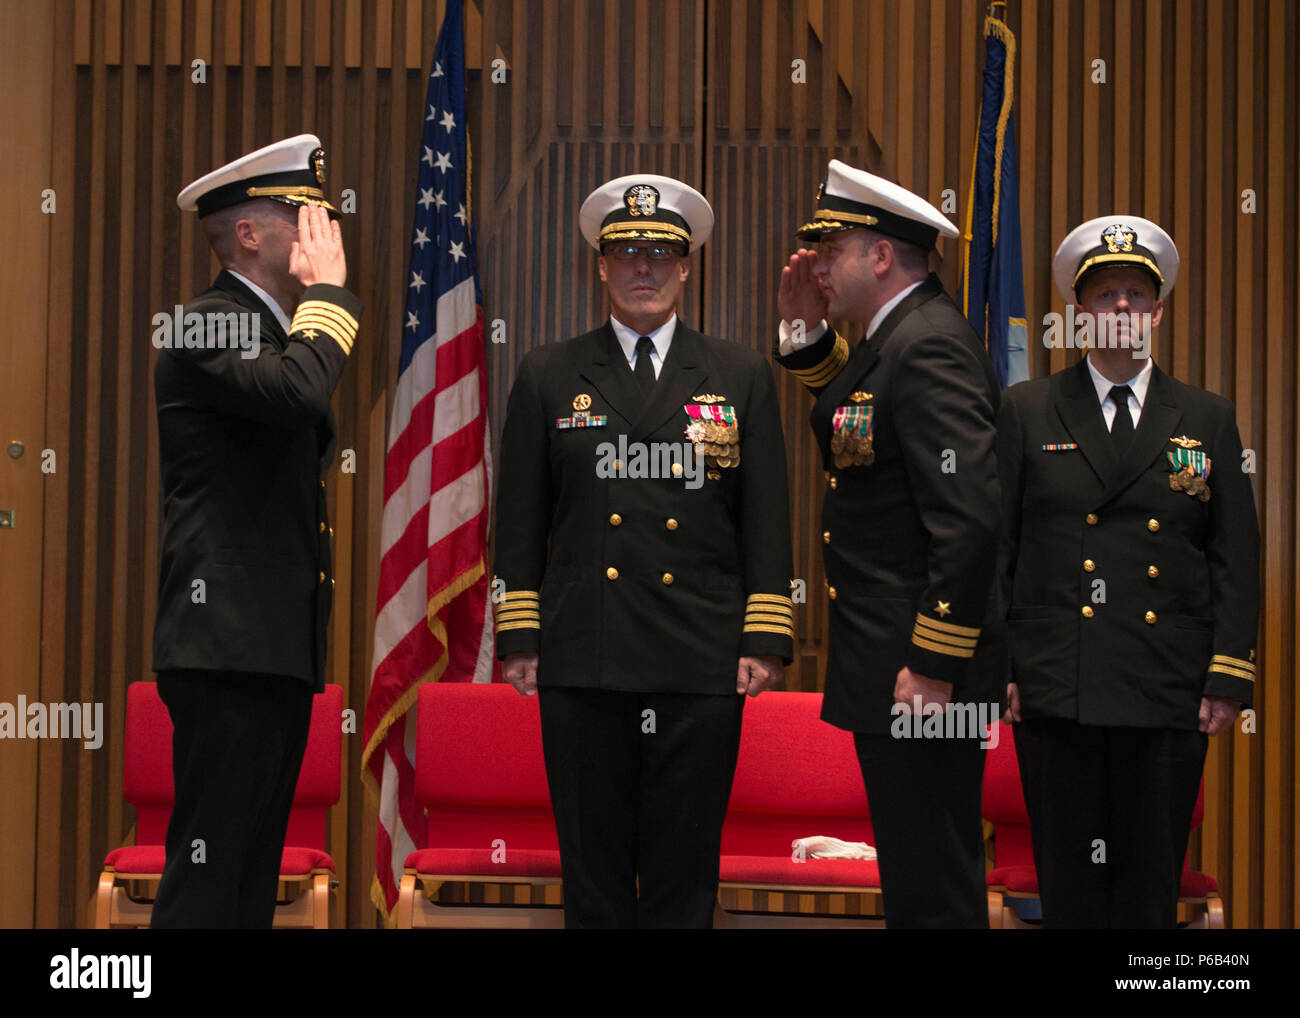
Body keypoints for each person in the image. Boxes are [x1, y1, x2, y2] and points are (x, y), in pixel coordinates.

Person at [492, 174, 795, 928]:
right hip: (585, 658)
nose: (644, 269)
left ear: (688, 264)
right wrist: (520, 636)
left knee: (682, 877)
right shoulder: (549, 374)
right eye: (626, 252)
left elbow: (765, 519)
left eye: (661, 252)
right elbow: (521, 524)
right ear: (600, 264)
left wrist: (766, 637)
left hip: (699, 661)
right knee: (592, 878)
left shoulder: (738, 375)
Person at [997, 215, 1259, 927]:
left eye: (1135, 297)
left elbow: (1234, 555)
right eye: (1105, 295)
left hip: (1166, 687)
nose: (1120, 309)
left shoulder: (1206, 418)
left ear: (1157, 313)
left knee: (1148, 894)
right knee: (1072, 894)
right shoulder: (1028, 409)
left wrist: (1229, 672)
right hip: (1058, 686)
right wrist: (1003, 668)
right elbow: (998, 548)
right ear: (1079, 314)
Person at [773, 159, 1001, 928]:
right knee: (915, 878)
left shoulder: (928, 346)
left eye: (834, 251)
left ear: (879, 257)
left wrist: (934, 664)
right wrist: (806, 341)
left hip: (923, 678)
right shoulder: (898, 337)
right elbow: (859, 426)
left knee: (933, 886)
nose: (821, 269)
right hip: (900, 669)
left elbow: (968, 518)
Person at [151, 134, 360, 927]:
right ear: (247, 234)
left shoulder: (273, 329)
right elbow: (297, 396)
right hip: (225, 644)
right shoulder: (204, 325)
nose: (323, 234)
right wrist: (332, 298)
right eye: (302, 215)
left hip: (269, 645)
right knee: (209, 877)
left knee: (246, 884)